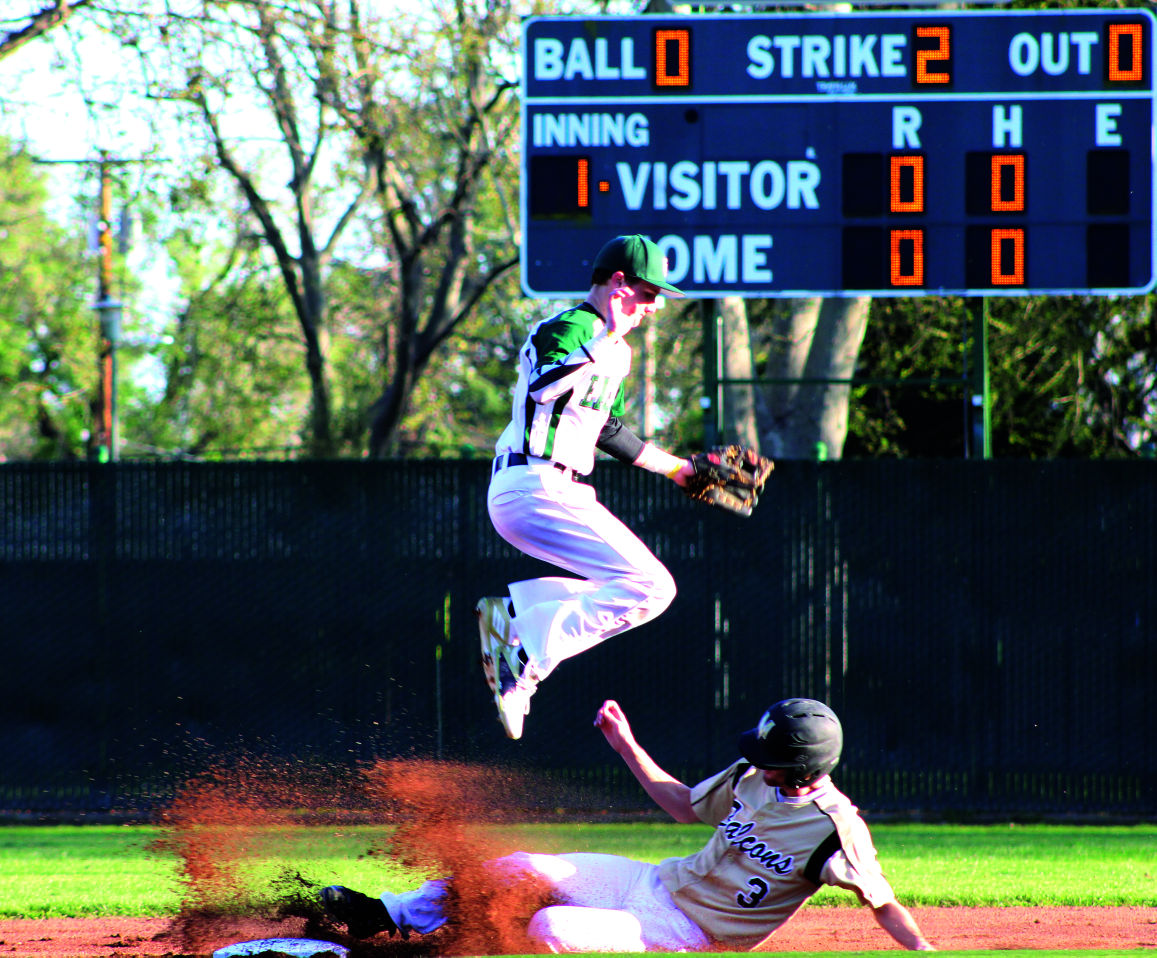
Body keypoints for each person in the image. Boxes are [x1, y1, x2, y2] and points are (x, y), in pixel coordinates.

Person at [319, 697, 936, 952]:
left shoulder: (833, 830)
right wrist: (626, 744)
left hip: (690, 929)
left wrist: (925, 950)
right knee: (518, 867)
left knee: (550, 927)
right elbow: (682, 805)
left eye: (771, 753)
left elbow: (881, 903)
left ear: (803, 765)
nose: (758, 757)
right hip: (653, 882)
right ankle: (386, 914)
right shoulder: (753, 776)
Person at [475, 234, 697, 739]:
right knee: (653, 587)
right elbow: (542, 387)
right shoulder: (567, 328)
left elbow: (608, 431)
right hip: (532, 482)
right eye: (648, 293)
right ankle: (522, 652)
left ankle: (517, 616)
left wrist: (678, 470)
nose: (654, 306)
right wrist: (604, 340)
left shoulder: (617, 352)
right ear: (618, 283)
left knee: (628, 589)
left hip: (552, 488)